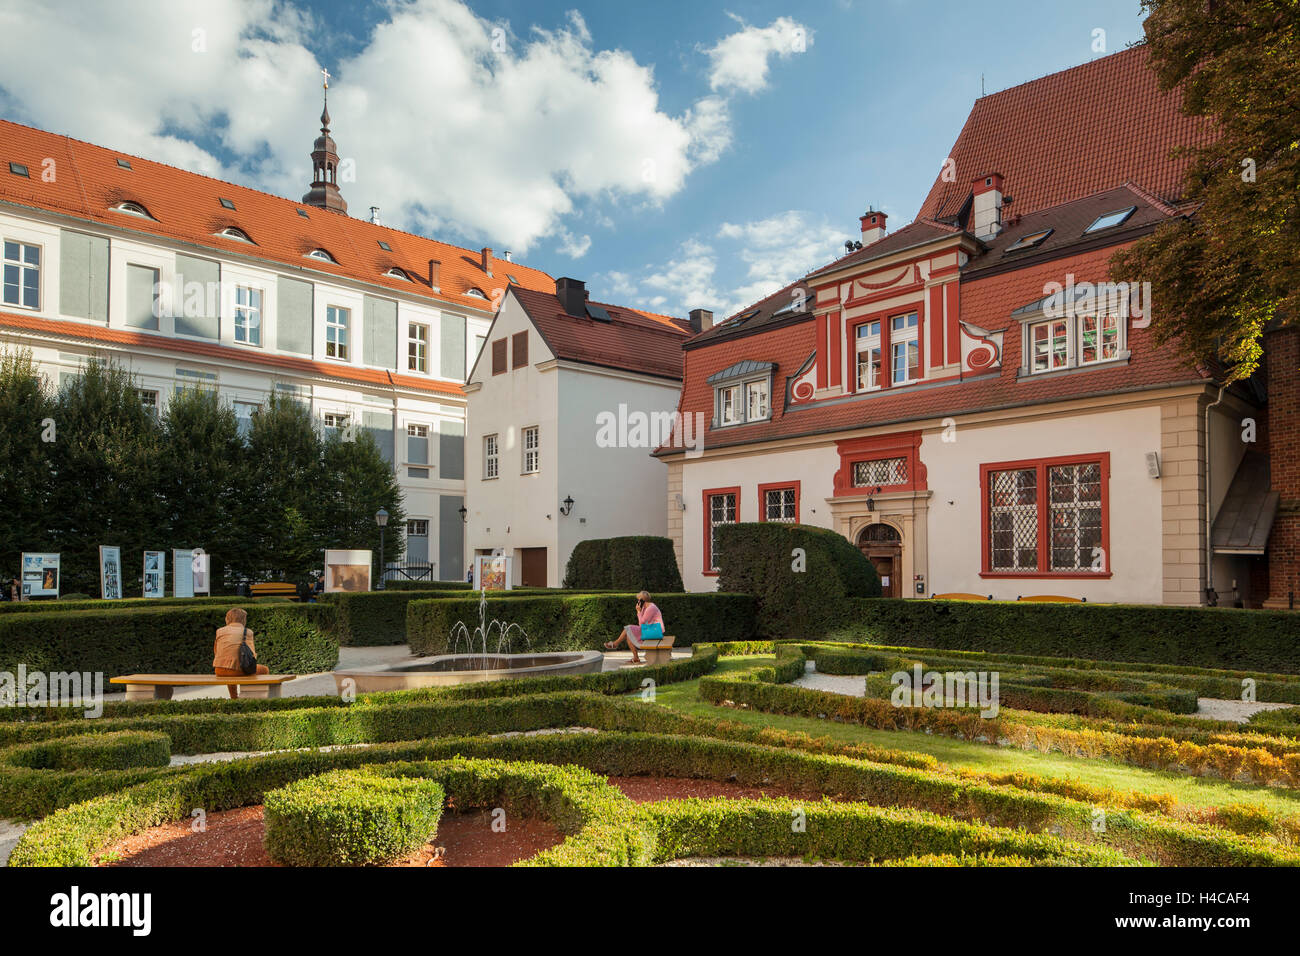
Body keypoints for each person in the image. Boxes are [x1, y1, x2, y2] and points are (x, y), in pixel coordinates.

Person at [213, 607, 269, 699]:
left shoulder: (219, 631)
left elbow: (216, 651)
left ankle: (234, 697)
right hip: (240, 671)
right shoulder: (248, 632)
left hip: (219, 670)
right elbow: (251, 656)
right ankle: (253, 697)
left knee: (229, 666)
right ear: (244, 620)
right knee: (264, 670)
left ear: (227, 619)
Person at [604, 591, 663, 665]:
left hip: (654, 632)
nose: (638, 602)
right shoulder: (646, 607)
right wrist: (640, 611)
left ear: (642, 600)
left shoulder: (651, 608)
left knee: (628, 628)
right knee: (629, 633)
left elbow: (641, 623)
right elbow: (641, 624)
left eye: (639, 600)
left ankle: (615, 644)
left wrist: (638, 611)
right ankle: (635, 658)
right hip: (649, 629)